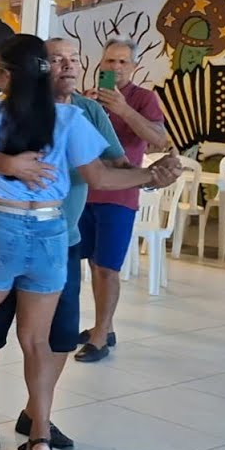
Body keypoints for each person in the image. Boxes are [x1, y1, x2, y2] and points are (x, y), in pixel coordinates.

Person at [0, 34, 175, 450]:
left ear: (2, 75)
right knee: (37, 342)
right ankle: (39, 440)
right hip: (53, 232)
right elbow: (99, 177)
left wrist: (3, 164)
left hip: (2, 225)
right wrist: (149, 178)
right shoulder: (71, 117)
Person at [77, 39, 169, 363]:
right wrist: (85, 108)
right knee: (92, 263)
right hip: (85, 190)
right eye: (109, 61)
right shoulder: (89, 98)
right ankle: (105, 326)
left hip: (121, 193)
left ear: (134, 67)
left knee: (108, 268)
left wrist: (123, 110)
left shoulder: (144, 99)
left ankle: (100, 337)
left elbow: (160, 139)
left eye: (122, 62)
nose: (114, 68)